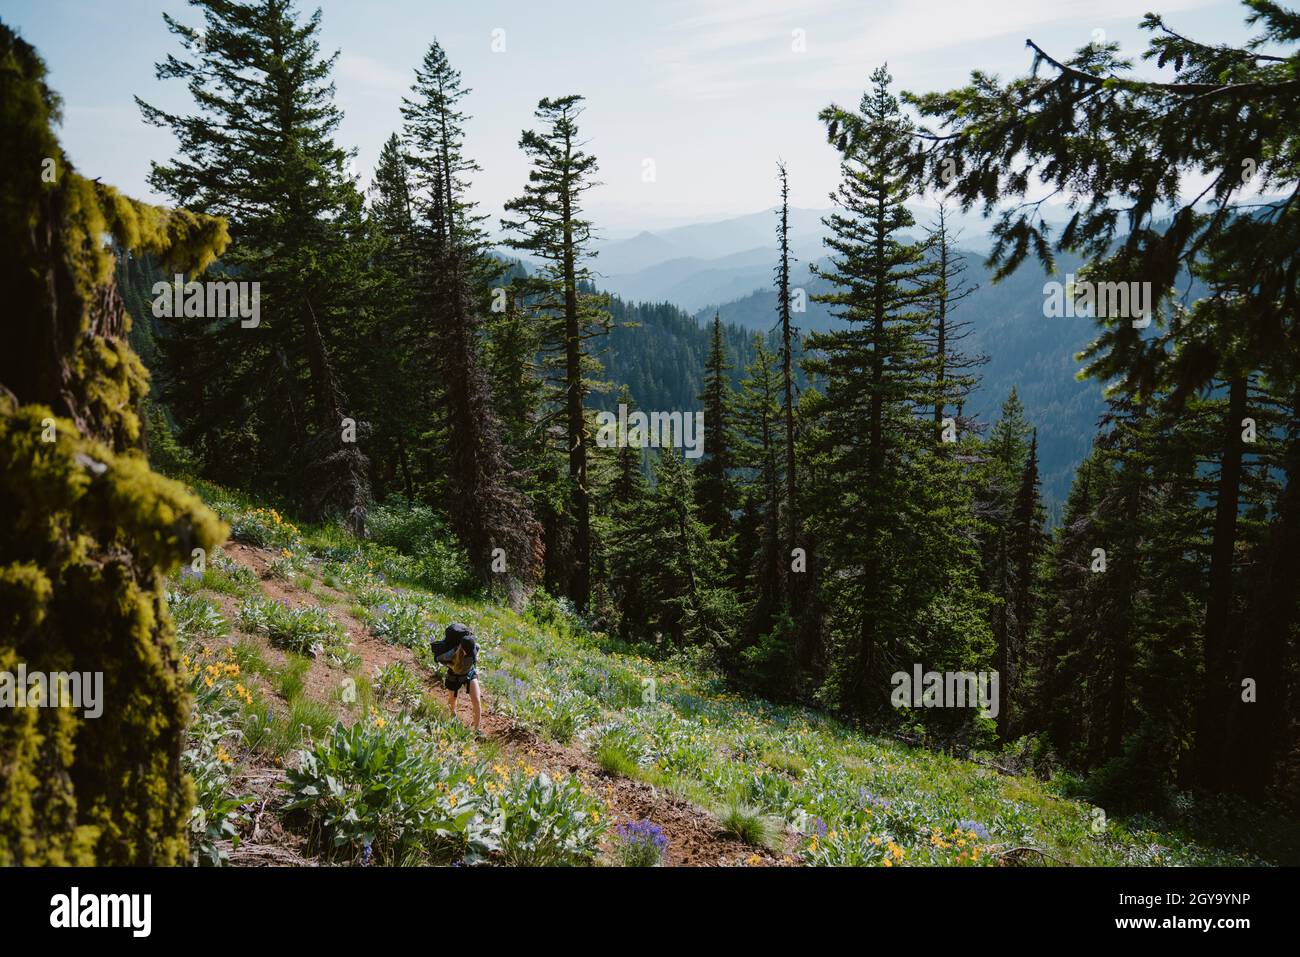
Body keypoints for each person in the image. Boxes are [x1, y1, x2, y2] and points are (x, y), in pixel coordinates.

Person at [430, 622, 482, 735]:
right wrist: (451, 665)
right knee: (452, 701)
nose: (470, 654)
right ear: (461, 648)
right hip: (453, 675)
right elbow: (439, 658)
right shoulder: (450, 653)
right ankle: (453, 719)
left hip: (469, 674)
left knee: (477, 700)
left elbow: (477, 651)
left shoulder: (475, 647)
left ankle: (476, 730)